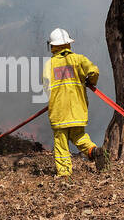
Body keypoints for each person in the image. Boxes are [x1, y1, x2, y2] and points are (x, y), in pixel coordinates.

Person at [42, 28, 101, 177]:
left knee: (61, 142)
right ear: (68, 44)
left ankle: (64, 174)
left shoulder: (49, 64)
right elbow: (94, 72)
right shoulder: (79, 59)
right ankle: (93, 151)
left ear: (53, 46)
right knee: (79, 136)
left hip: (59, 112)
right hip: (77, 110)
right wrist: (89, 81)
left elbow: (46, 86)